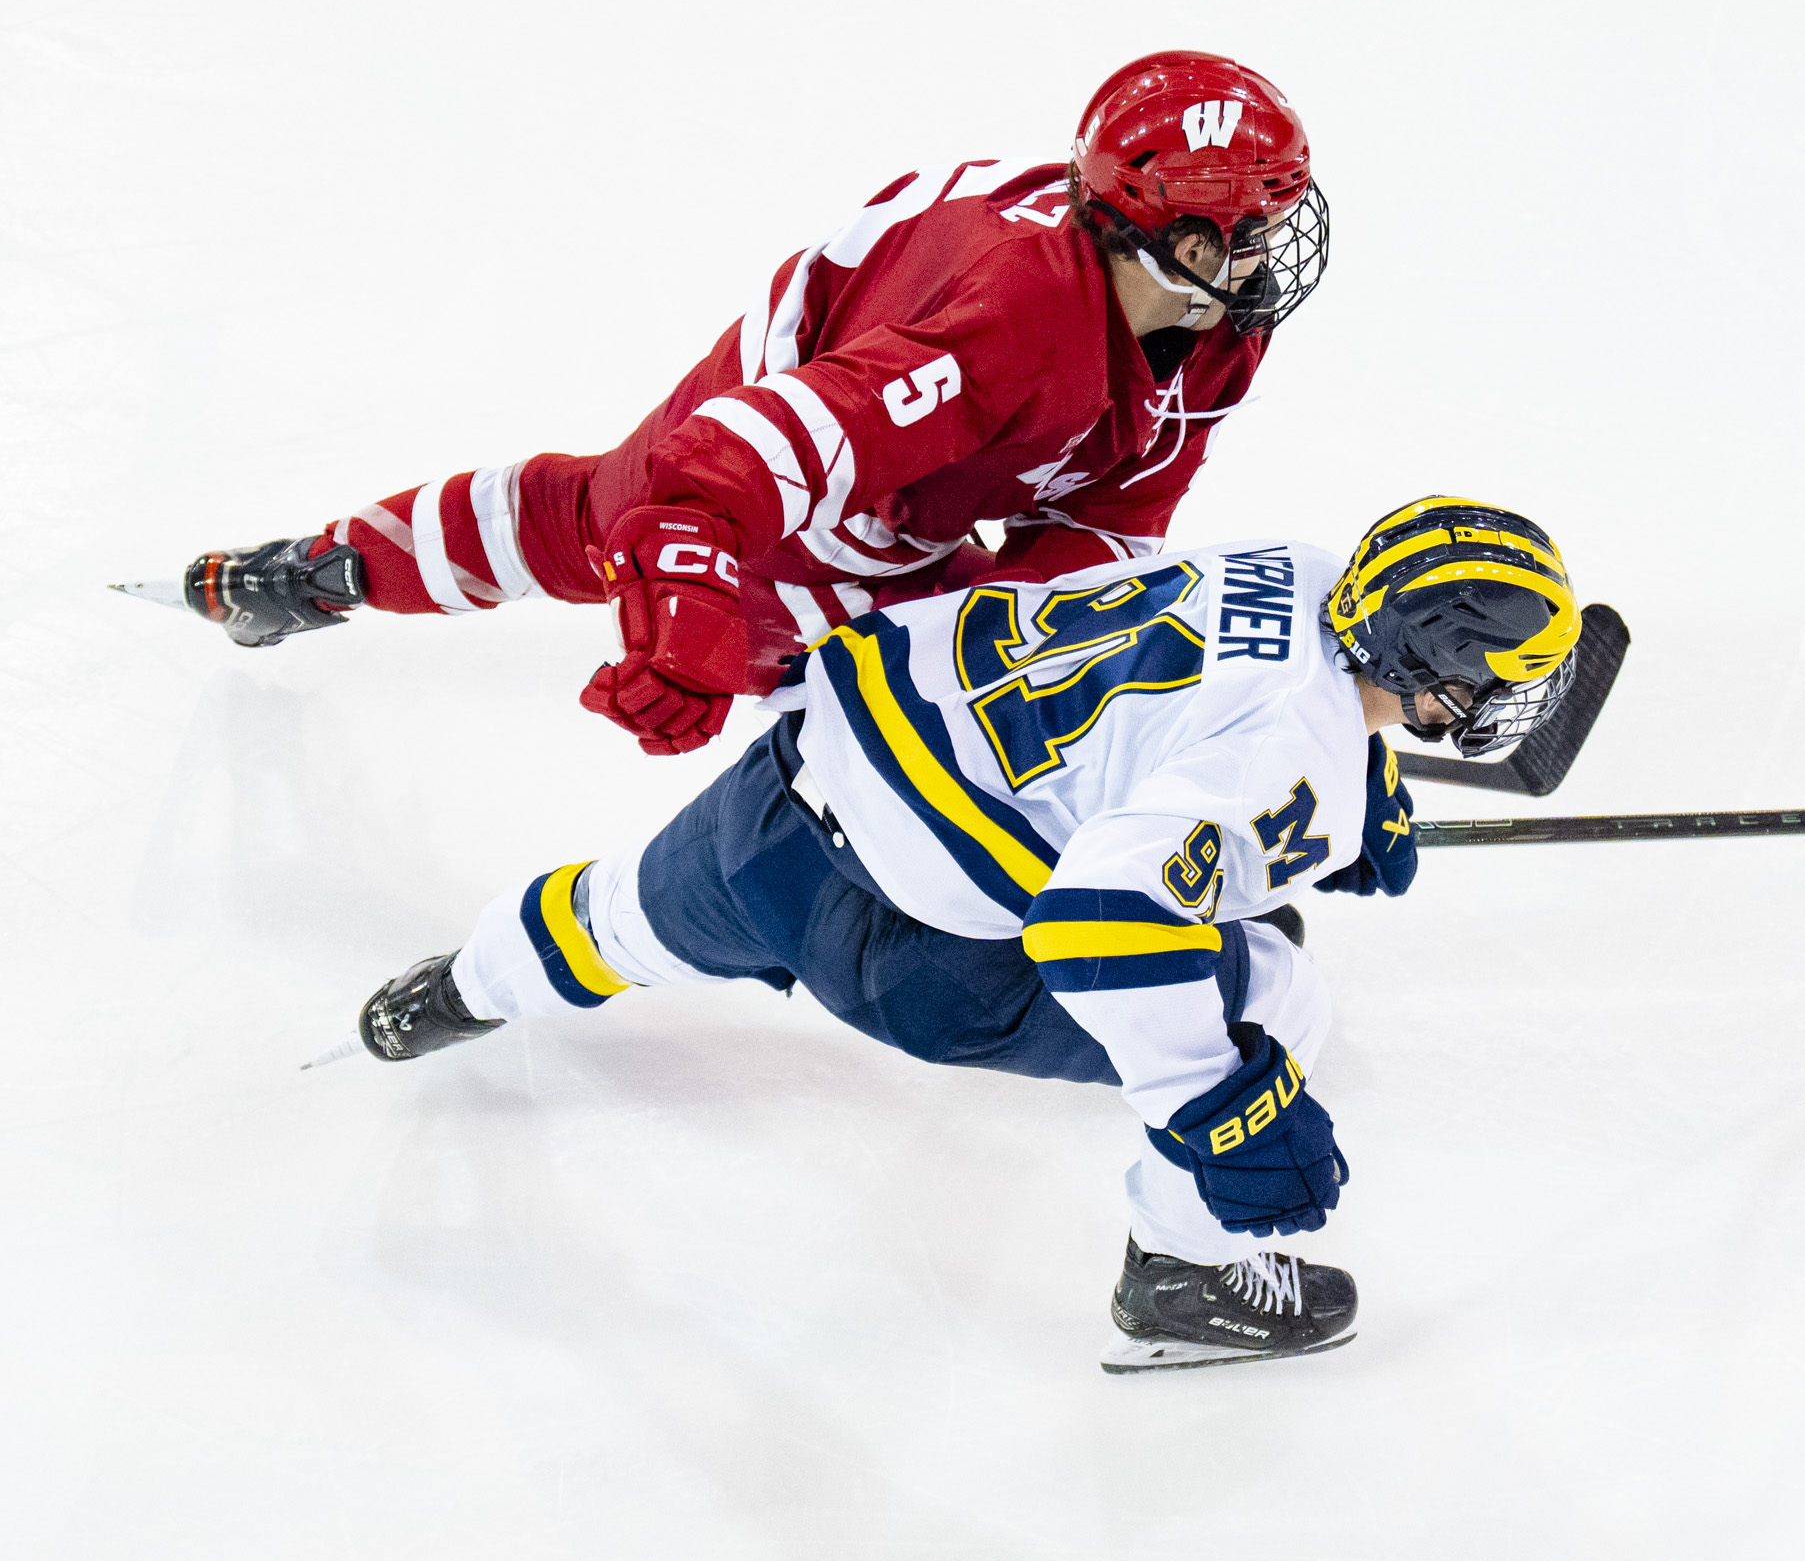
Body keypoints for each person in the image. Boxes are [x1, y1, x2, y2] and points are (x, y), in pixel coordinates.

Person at [341, 496, 1582, 1372]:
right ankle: (1185, 1276)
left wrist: (1341, 797)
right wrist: (1214, 1100)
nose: (1512, 699)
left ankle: (456, 990)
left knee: (619, 912)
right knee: (1281, 996)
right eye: (1503, 673)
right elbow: (1101, 917)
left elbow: (1181, 704)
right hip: (918, 956)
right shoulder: (1288, 756)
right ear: (1438, 665)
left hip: (786, 797)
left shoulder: (1302, 568)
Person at [121, 52, 1332, 756]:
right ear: (1174, 232)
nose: (1273, 250)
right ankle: (321, 571)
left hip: (907, 420)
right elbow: (734, 461)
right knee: (617, 527)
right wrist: (693, 608)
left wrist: (1057, 645)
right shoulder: (1014, 329)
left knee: (978, 666)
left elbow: (1114, 512)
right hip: (820, 415)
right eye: (1255, 222)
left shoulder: (1212, 323)